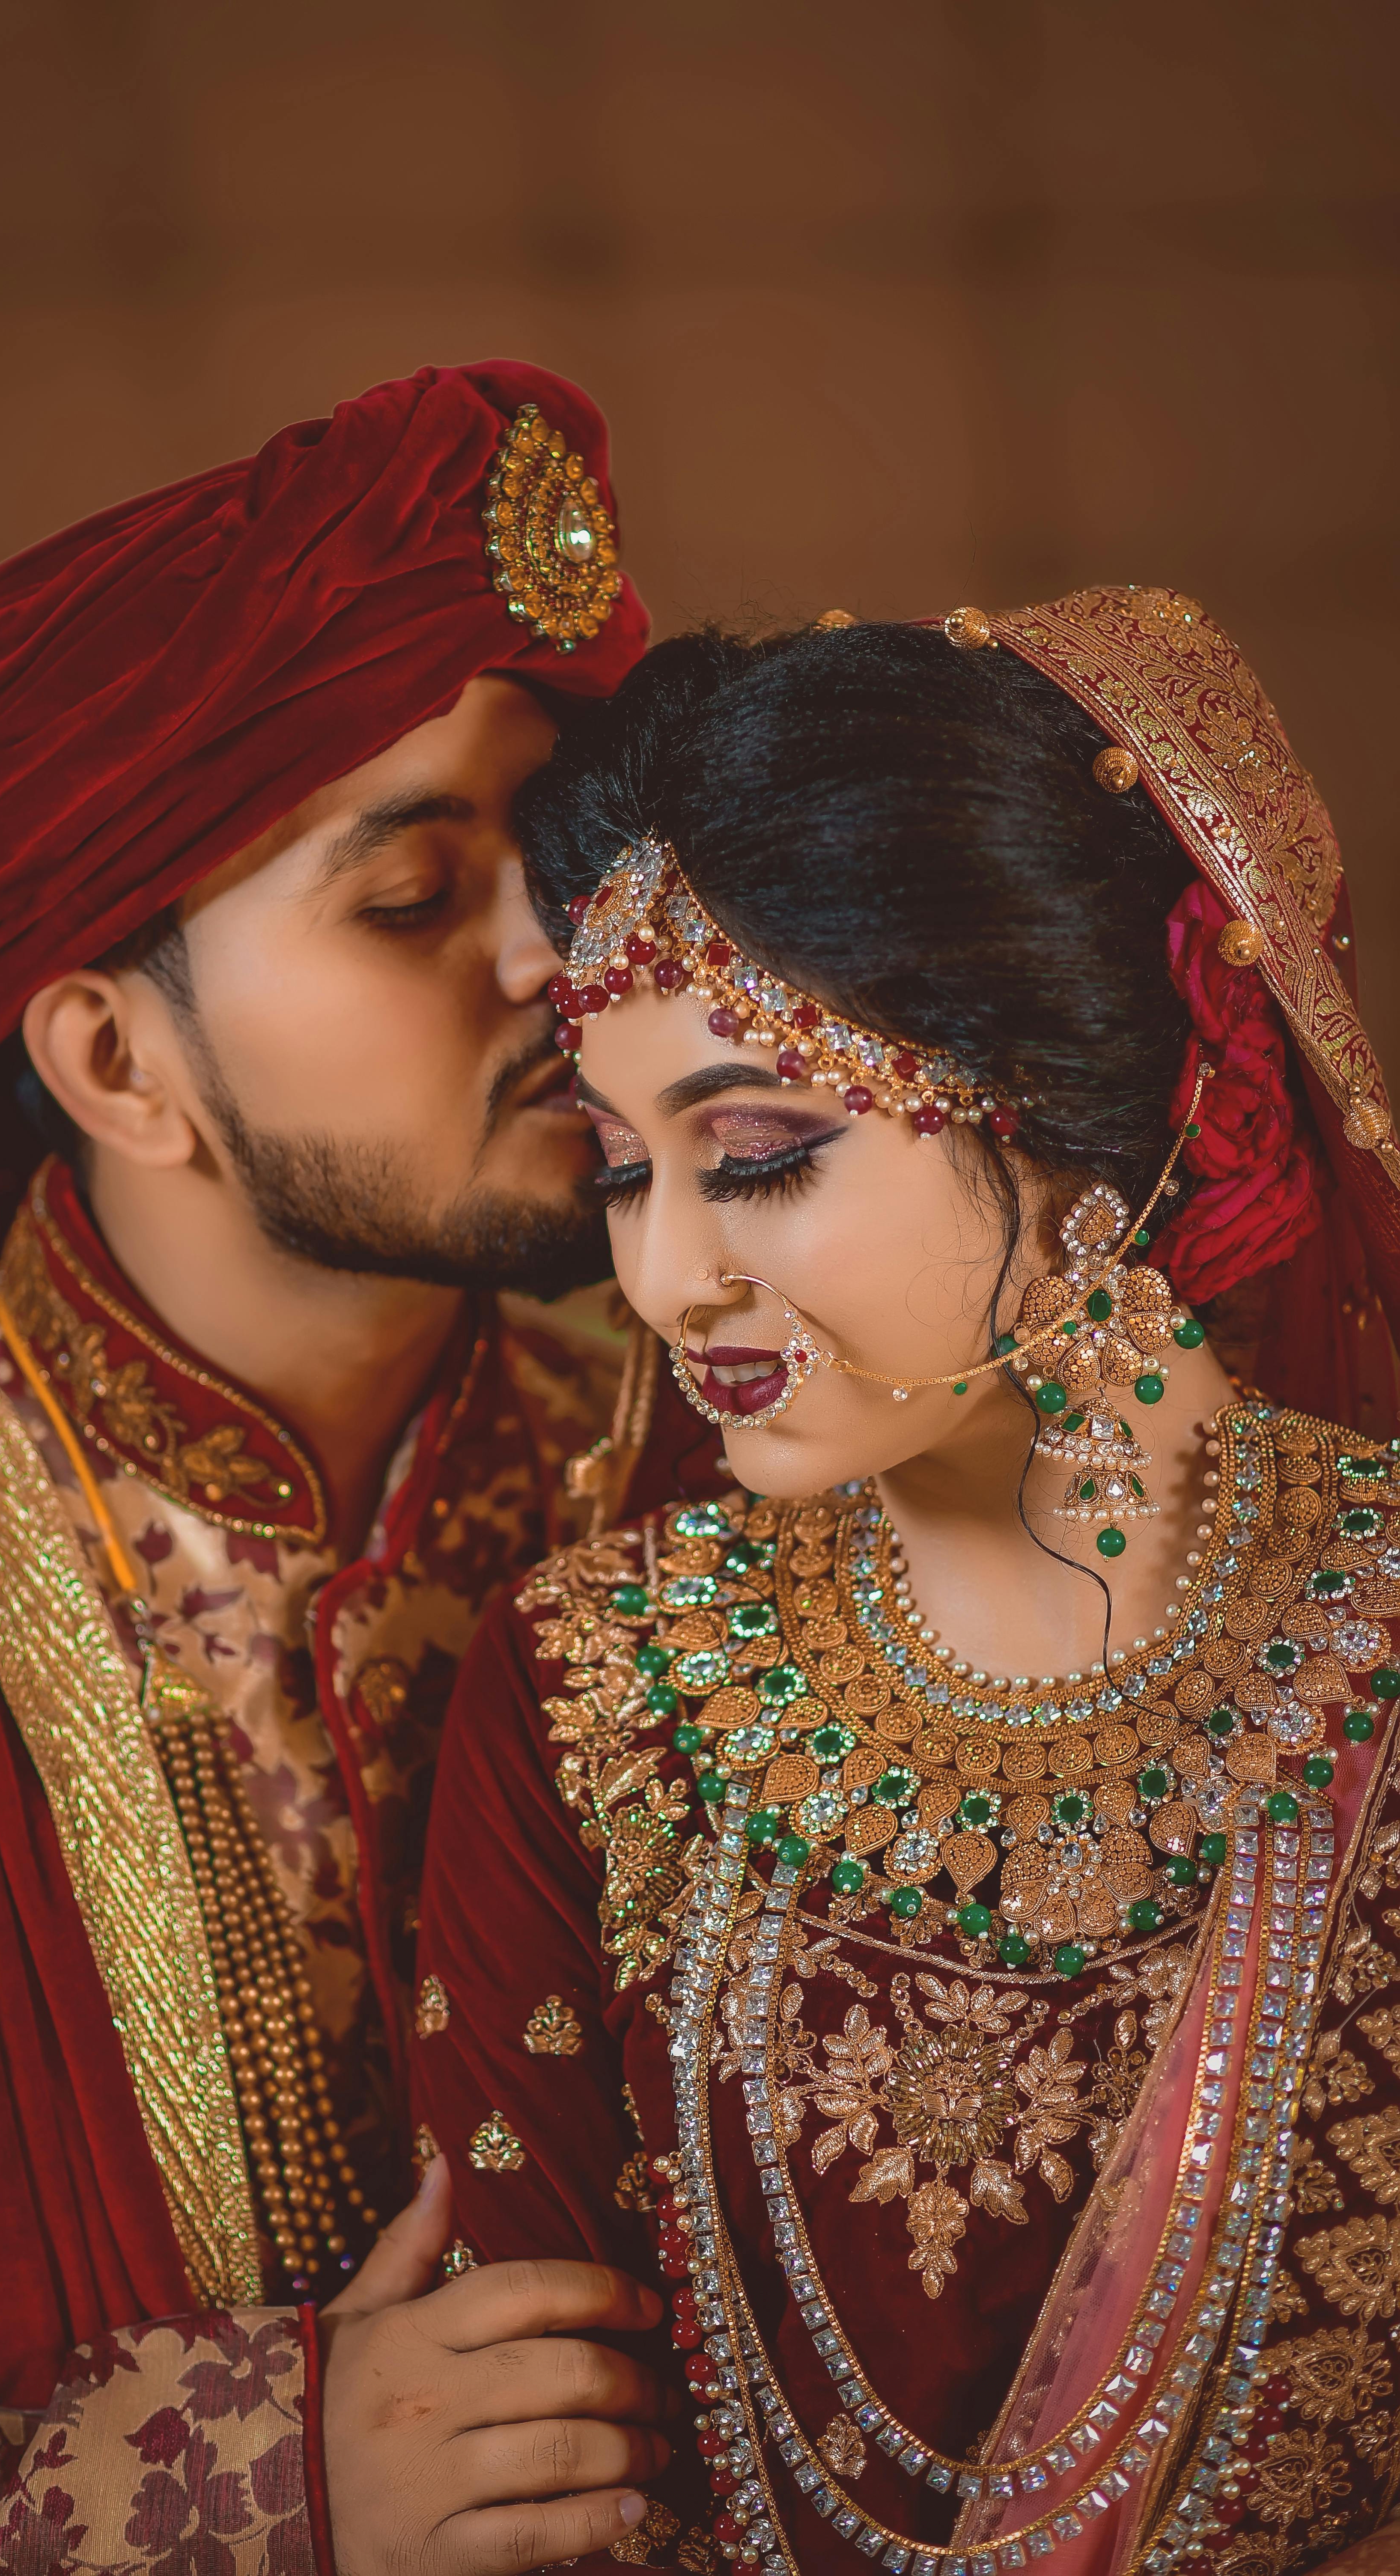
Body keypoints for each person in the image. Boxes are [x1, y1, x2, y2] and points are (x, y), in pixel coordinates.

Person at [0, 363, 713, 2570]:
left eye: (553, 867)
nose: (552, 958)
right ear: (113, 1059)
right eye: (415, 892)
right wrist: (243, 2480)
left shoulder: (720, 1490)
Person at [411, 588, 1400, 2576]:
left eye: (757, 1148)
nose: (666, 1274)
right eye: (621, 1166)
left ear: (1085, 1132)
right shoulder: (593, 1688)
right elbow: (535, 2475)